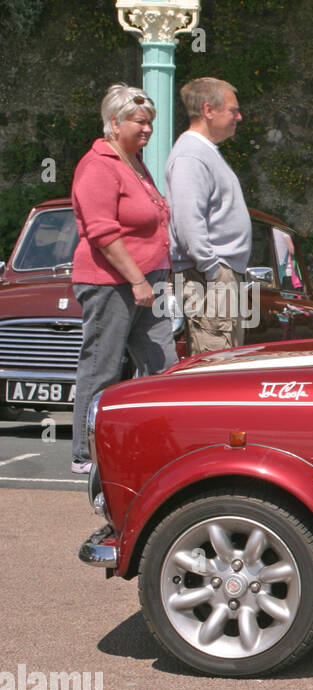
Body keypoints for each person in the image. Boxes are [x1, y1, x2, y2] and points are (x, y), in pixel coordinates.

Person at [68, 84, 175, 474]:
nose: (147, 129)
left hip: (150, 278)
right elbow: (102, 232)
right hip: (111, 281)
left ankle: (155, 445)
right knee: (102, 365)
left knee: (162, 365)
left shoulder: (134, 161)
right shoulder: (97, 165)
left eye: (150, 122)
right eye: (139, 122)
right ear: (114, 123)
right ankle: (85, 453)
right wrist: (137, 280)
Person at [165, 76, 252, 355]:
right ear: (208, 109)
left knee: (224, 359)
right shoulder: (191, 155)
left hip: (216, 273)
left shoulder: (202, 153)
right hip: (208, 275)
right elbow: (188, 220)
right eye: (232, 110)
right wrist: (212, 270)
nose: (239, 116)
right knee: (215, 360)